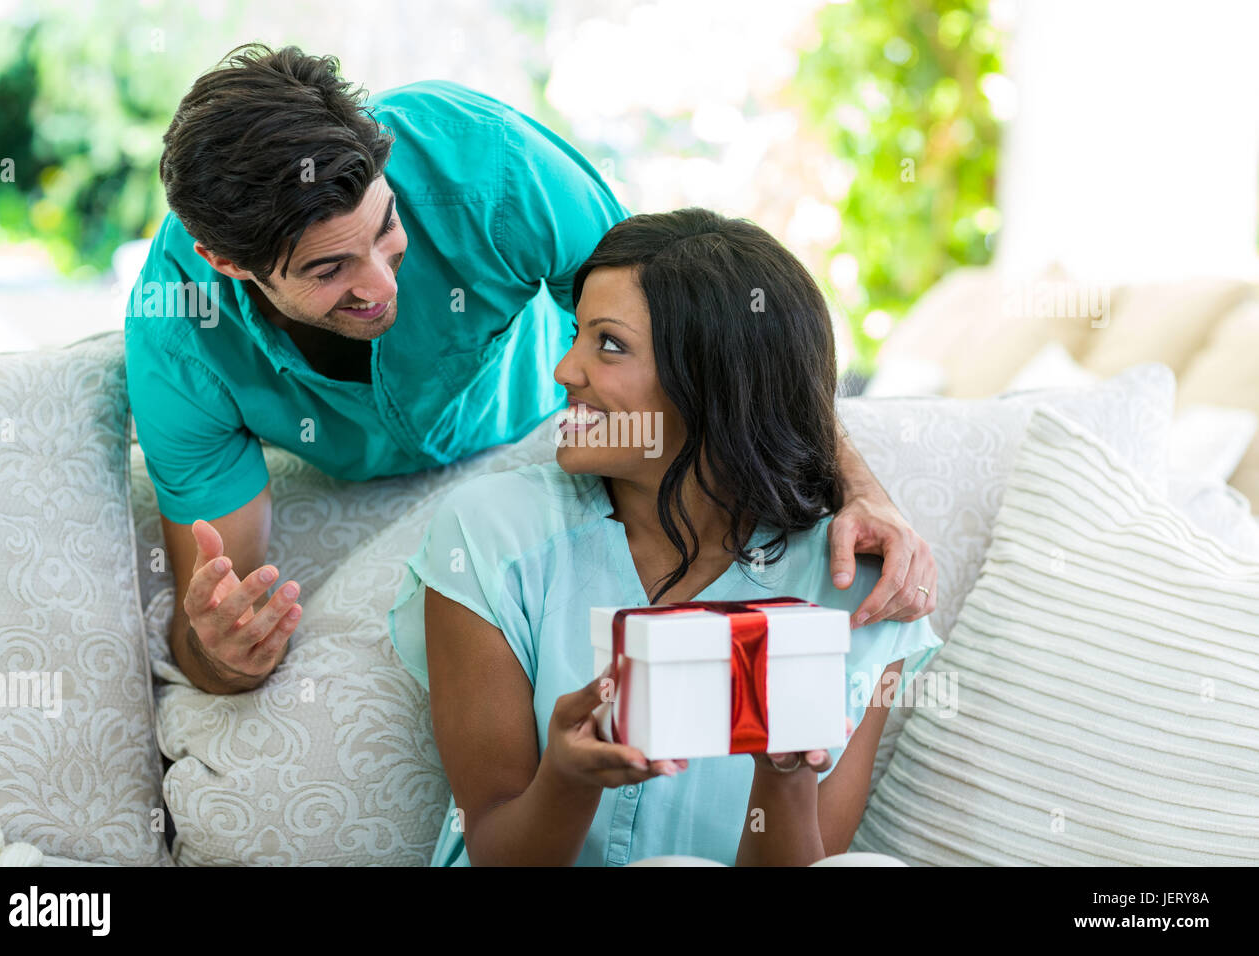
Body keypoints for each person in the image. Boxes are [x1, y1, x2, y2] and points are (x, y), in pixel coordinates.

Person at [127, 43, 938, 697]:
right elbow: (217, 614)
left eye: (386, 228)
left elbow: (705, 322)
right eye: (329, 270)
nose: (381, 283)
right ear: (225, 261)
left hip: (556, 435)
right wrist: (225, 655)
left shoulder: (489, 167)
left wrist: (861, 488)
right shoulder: (175, 343)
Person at [388, 209, 944, 866]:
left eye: (610, 345)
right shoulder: (491, 534)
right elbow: (493, 847)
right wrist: (568, 778)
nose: (566, 370)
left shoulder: (854, 587)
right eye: (575, 336)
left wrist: (787, 770)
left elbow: (817, 857)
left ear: (715, 385)